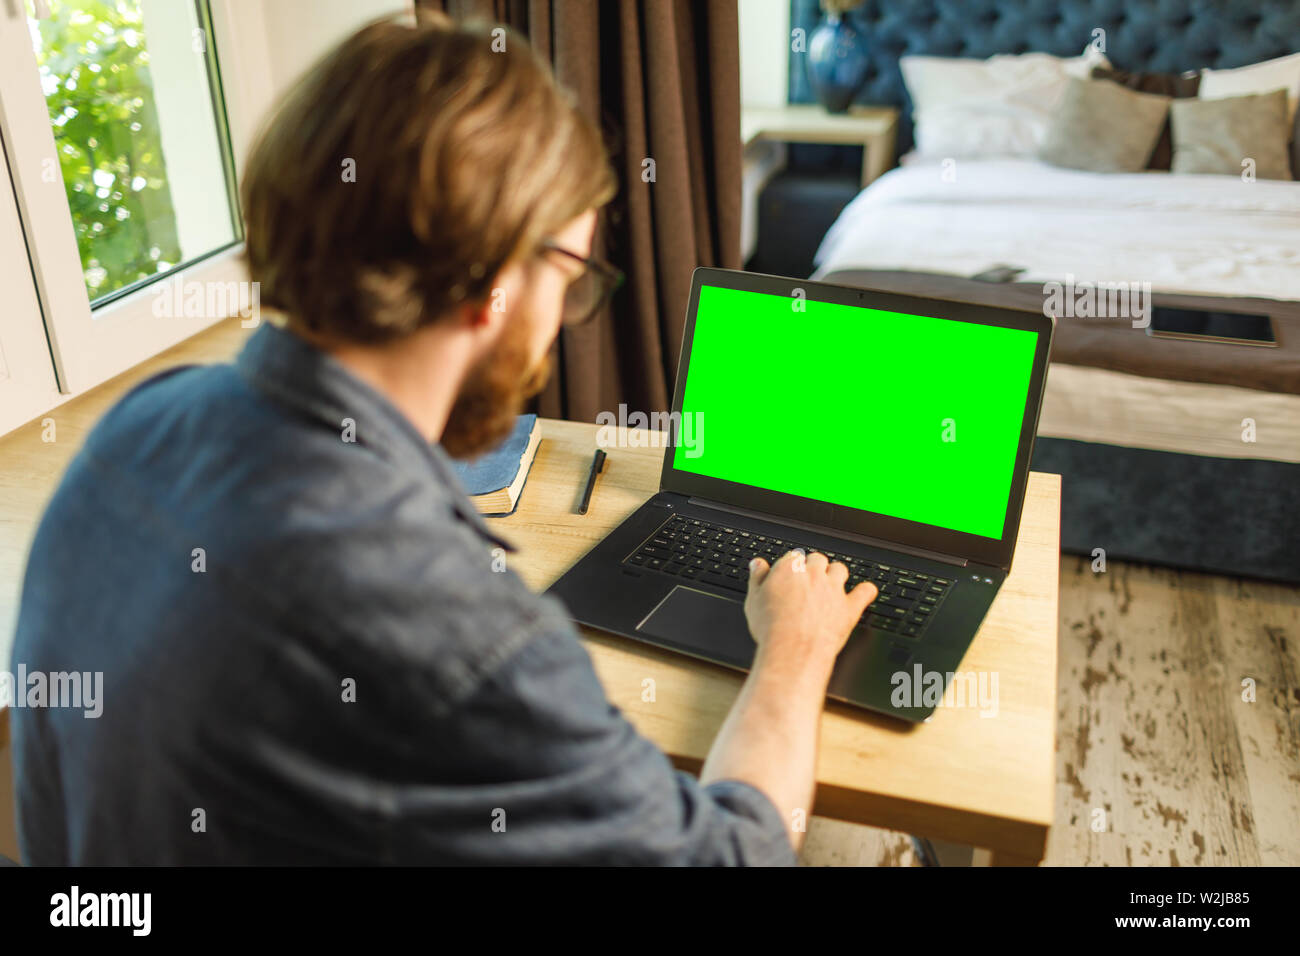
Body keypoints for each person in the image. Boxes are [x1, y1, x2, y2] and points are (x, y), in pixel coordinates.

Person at [10, 14, 877, 865]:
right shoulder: (461, 634)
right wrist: (797, 651)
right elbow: (733, 855)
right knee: (868, 841)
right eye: (570, 276)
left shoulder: (139, 427)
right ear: (490, 280)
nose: (558, 330)